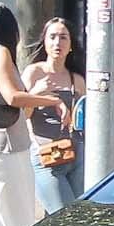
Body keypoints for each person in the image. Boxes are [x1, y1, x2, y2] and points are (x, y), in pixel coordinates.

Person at [0, 3, 68, 226]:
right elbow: (12, 96)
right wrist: (51, 100)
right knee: (18, 224)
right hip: (7, 150)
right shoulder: (0, 53)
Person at [25, 15, 85, 215]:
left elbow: (85, 118)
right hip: (45, 155)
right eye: (52, 37)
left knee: (75, 215)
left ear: (71, 45)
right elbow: (21, 114)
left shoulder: (76, 79)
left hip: (75, 154)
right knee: (65, 217)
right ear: (44, 41)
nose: (57, 43)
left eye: (63, 37)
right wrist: (35, 93)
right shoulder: (34, 73)